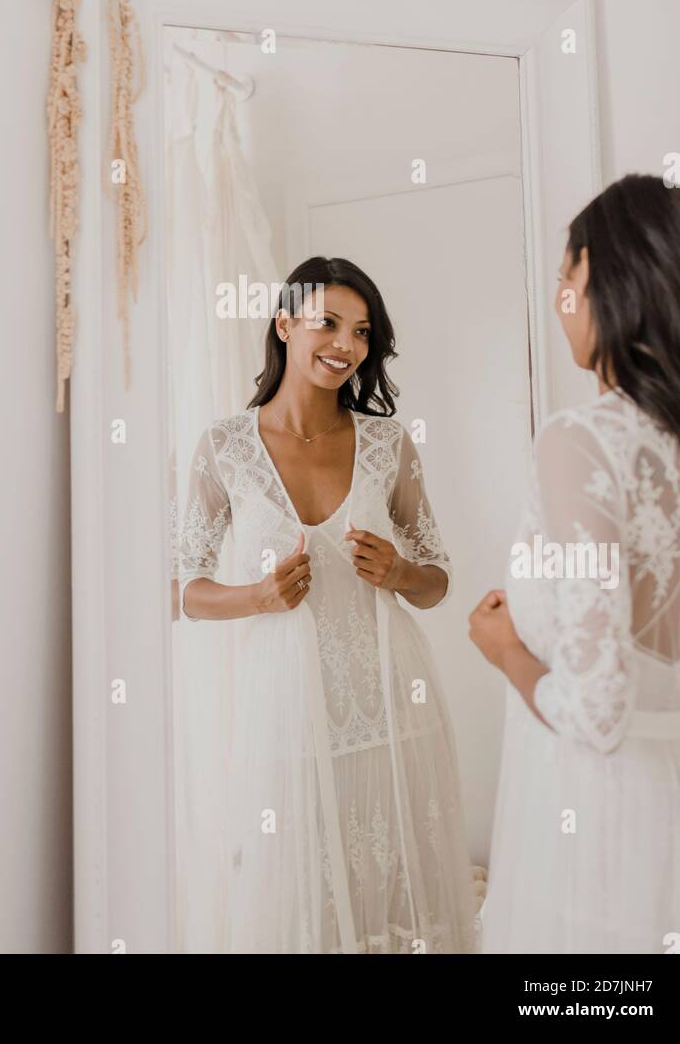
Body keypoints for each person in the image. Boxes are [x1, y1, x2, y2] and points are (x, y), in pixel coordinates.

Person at [178, 256, 476, 953]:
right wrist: (255, 595)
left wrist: (401, 571)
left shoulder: (387, 443)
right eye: (328, 323)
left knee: (392, 886)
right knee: (297, 894)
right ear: (284, 324)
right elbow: (177, 586)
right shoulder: (223, 447)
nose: (346, 345)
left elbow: (437, 581)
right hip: (280, 710)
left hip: (388, 701)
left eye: (362, 331)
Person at [470, 174, 680, 953]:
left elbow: (598, 711)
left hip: (603, 831)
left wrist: (505, 653)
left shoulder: (583, 440)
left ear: (607, 284)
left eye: (566, 280)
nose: (558, 302)